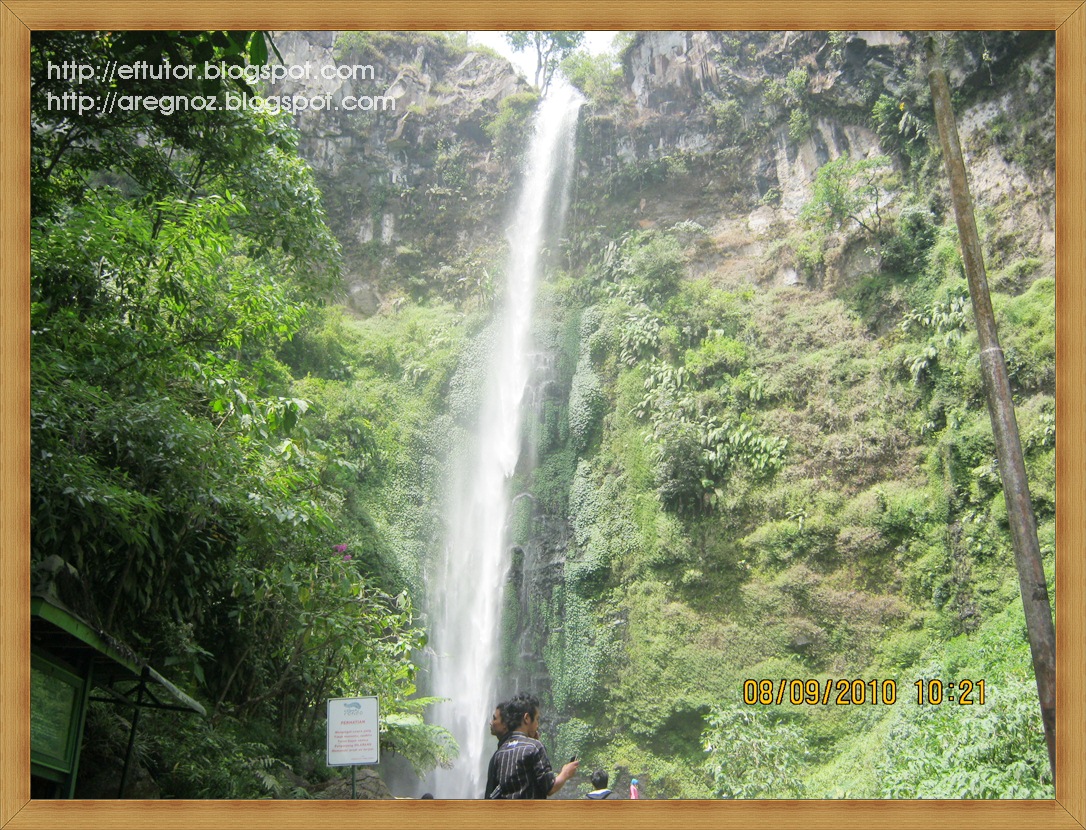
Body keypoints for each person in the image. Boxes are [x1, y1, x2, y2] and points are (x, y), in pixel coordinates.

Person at [484, 693, 579, 799]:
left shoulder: (499, 753)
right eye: (537, 719)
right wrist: (565, 773)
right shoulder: (535, 747)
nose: (537, 725)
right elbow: (549, 787)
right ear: (527, 718)